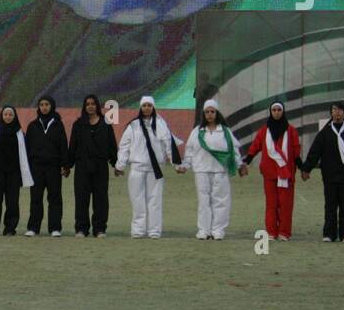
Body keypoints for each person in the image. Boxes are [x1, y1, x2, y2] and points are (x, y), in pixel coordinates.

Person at [177, 98, 246, 240]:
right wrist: (185, 165)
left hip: (220, 170)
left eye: (212, 112)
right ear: (203, 114)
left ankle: (218, 230)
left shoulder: (225, 131)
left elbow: (234, 150)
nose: (209, 114)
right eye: (207, 112)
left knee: (220, 201)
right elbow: (190, 151)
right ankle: (204, 230)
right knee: (203, 201)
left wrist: (240, 165)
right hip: (201, 170)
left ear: (217, 113)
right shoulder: (197, 132)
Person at [114, 95, 182, 239]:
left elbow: (169, 144)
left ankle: (154, 230)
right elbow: (124, 146)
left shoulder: (161, 124)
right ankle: (138, 230)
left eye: (149, 105)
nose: (146, 108)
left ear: (153, 107)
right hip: (137, 168)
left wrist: (176, 165)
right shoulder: (133, 125)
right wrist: (120, 165)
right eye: (144, 105)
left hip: (155, 169)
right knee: (137, 200)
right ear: (140, 107)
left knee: (155, 200)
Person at [300, 102, 344, 242]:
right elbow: (315, 152)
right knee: (330, 206)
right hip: (329, 174)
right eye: (334, 110)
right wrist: (306, 169)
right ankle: (329, 233)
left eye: (340, 110)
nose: (337, 113)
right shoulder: (325, 133)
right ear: (331, 113)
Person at [242, 101, 301, 241]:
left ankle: (284, 232)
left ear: (283, 111)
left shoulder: (291, 130)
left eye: (278, 110)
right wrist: (247, 161)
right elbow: (255, 146)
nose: (276, 112)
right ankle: (271, 232)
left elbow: (296, 150)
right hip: (269, 173)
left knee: (286, 205)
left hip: (286, 173)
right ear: (270, 112)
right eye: (274, 110)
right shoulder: (263, 131)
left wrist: (303, 167)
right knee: (271, 204)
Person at [67, 94, 117, 237]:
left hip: (100, 166)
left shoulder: (106, 124)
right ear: (84, 106)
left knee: (101, 198)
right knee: (81, 198)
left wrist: (116, 164)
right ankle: (81, 228)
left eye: (93, 103)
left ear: (97, 106)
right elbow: (73, 146)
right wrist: (67, 166)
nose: (90, 106)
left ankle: (100, 228)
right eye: (87, 103)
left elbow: (112, 146)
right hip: (82, 166)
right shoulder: (78, 124)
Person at [0, 105, 34, 236]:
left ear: (14, 116)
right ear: (2, 116)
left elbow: (25, 153)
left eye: (10, 115)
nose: (8, 117)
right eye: (5, 114)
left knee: (12, 201)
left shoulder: (20, 134)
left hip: (14, 173)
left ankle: (10, 228)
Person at [24, 95, 68, 237]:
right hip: (36, 167)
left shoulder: (58, 125)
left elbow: (63, 146)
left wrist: (65, 165)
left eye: (47, 104)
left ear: (52, 106)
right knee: (35, 198)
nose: (44, 107)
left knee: (54, 198)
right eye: (41, 104)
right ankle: (33, 228)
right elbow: (27, 147)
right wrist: (28, 167)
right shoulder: (32, 125)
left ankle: (55, 228)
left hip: (53, 167)